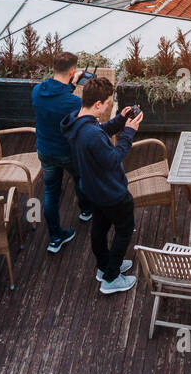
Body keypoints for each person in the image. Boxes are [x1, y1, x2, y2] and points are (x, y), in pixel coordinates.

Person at [62, 76, 144, 295]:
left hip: (93, 189)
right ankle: (111, 278)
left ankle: (103, 266)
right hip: (112, 193)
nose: (108, 106)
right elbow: (113, 158)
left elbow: (98, 133)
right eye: (108, 103)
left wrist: (119, 120)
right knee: (124, 231)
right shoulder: (91, 133)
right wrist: (129, 132)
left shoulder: (76, 121)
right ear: (98, 104)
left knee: (99, 229)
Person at [32, 52, 94, 254]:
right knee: (80, 179)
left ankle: (55, 238)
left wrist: (70, 85)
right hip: (68, 152)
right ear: (73, 71)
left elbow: (55, 98)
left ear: (54, 68)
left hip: (45, 151)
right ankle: (86, 211)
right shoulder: (74, 103)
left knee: (50, 192)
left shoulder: (36, 92)